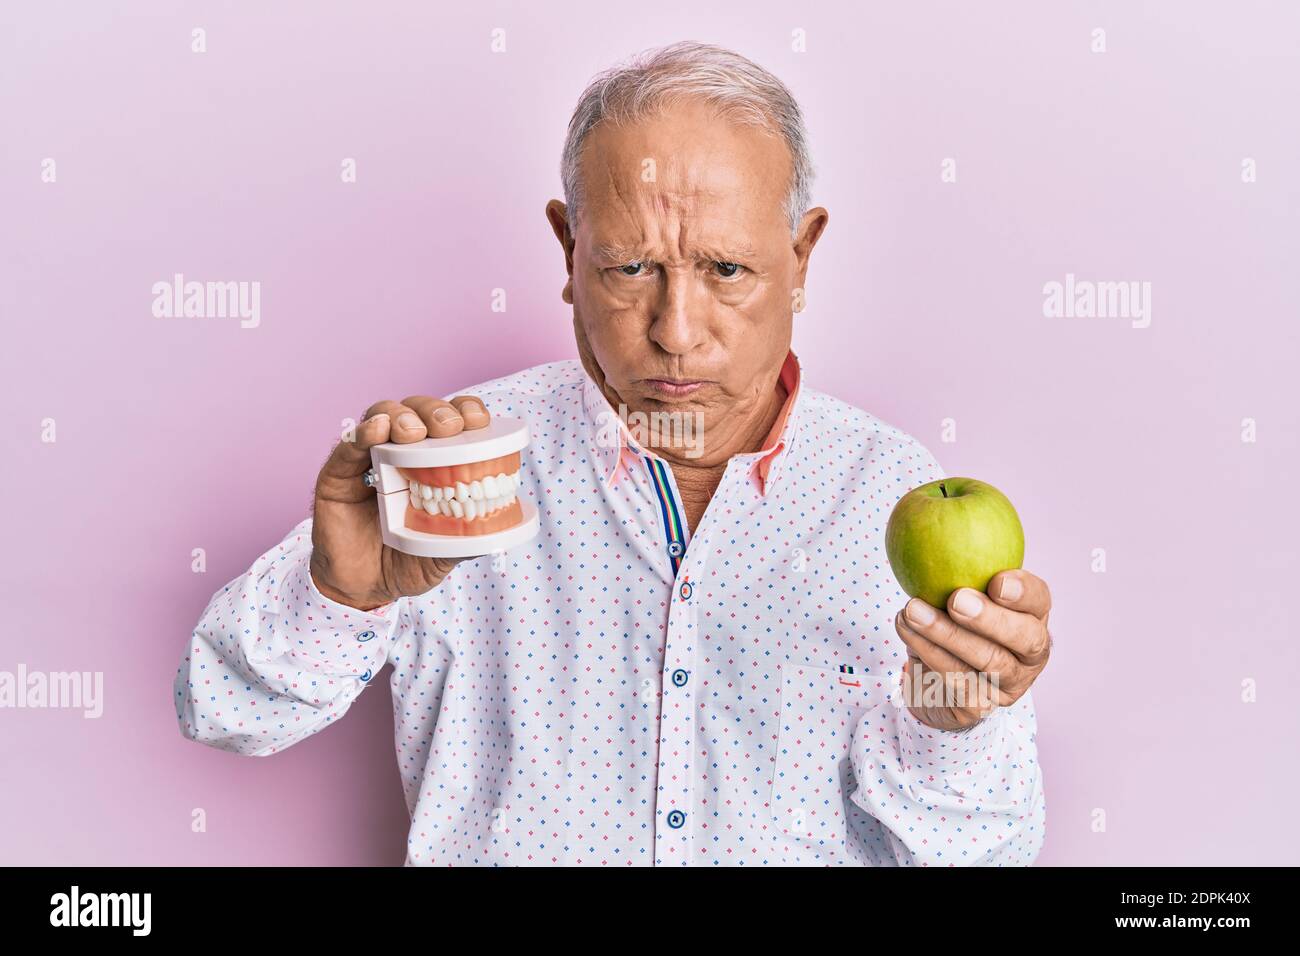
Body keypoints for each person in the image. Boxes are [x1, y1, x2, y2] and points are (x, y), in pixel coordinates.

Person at [175, 41, 1051, 866]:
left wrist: (955, 717)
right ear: (568, 248)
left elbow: (983, 857)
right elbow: (219, 708)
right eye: (631, 269)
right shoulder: (459, 466)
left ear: (801, 256)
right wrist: (341, 595)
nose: (675, 335)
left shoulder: (888, 491)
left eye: (727, 271)